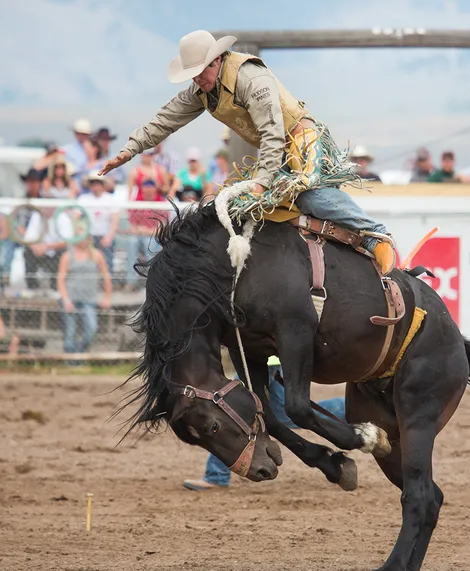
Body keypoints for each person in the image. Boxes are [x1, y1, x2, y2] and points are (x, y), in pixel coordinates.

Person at [100, 29, 395, 274]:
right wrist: (129, 150)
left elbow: (272, 131)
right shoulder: (202, 90)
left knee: (308, 194)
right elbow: (165, 119)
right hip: (275, 153)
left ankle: (375, 235)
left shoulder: (251, 78)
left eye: (200, 72)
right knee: (238, 206)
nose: (197, 79)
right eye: (192, 74)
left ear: (217, 60)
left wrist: (262, 180)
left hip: (302, 140)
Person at [183, 357, 346, 491]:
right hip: (267, 358)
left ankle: (216, 475)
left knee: (231, 411)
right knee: (284, 415)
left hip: (256, 359)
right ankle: (348, 408)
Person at [56, 233, 112, 356]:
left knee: (92, 328)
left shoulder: (97, 255)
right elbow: (61, 279)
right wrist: (65, 299)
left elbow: (106, 276)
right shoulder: (67, 256)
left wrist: (107, 297)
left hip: (89, 299)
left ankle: (80, 353)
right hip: (71, 298)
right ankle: (70, 359)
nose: (83, 240)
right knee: (70, 332)